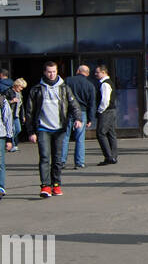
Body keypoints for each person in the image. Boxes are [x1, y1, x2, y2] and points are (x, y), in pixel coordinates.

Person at [21, 61, 84, 197]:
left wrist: (78, 119)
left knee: (57, 158)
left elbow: (74, 105)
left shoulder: (64, 88)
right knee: (44, 157)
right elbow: (29, 112)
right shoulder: (36, 89)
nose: (52, 74)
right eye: (49, 71)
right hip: (43, 128)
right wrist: (31, 132)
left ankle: (56, 184)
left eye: (54, 71)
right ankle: (45, 186)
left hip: (60, 128)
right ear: (44, 72)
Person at [59, 64, 96, 170]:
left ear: (77, 71)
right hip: (82, 112)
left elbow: (61, 96)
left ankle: (61, 161)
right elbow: (92, 103)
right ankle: (79, 162)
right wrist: (90, 118)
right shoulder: (90, 85)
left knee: (65, 137)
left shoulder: (68, 81)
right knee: (80, 138)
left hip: (68, 111)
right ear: (87, 74)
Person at [93, 66, 117, 165]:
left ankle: (108, 156)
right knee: (111, 133)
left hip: (106, 111)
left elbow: (105, 100)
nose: (95, 74)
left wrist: (100, 110)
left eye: (97, 72)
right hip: (112, 110)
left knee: (101, 133)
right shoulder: (109, 82)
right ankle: (113, 156)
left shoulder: (105, 84)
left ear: (103, 72)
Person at [8, 78, 26, 151]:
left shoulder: (19, 94)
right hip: (10, 114)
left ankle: (11, 142)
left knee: (18, 129)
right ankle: (12, 145)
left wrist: (23, 115)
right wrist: (11, 101)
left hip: (17, 114)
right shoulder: (9, 91)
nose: (21, 89)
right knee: (12, 130)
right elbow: (3, 102)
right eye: (21, 87)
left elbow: (21, 105)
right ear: (16, 85)